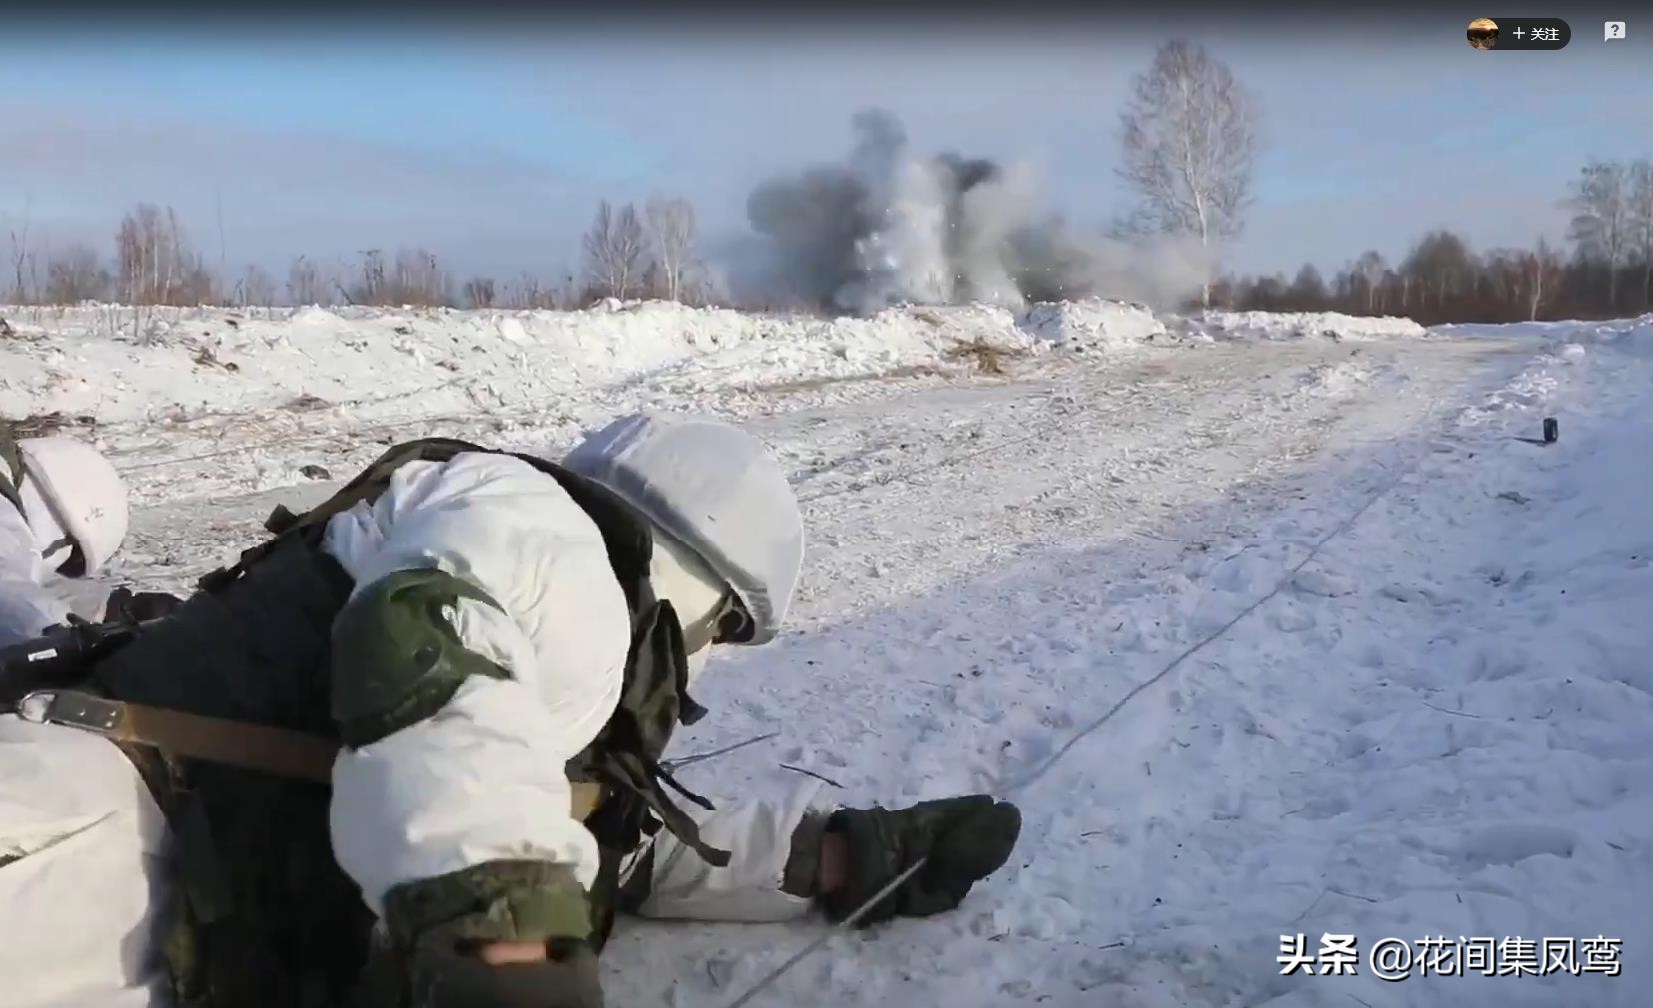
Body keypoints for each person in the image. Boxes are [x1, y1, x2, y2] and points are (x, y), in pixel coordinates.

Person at [0, 413, 1022, 1008]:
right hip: (70, 880)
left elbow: (593, 828)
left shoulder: (536, 590)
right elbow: (422, 646)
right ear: (711, 599)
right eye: (721, 641)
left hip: (123, 873)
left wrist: (847, 854)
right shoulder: (557, 550)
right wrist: (510, 949)